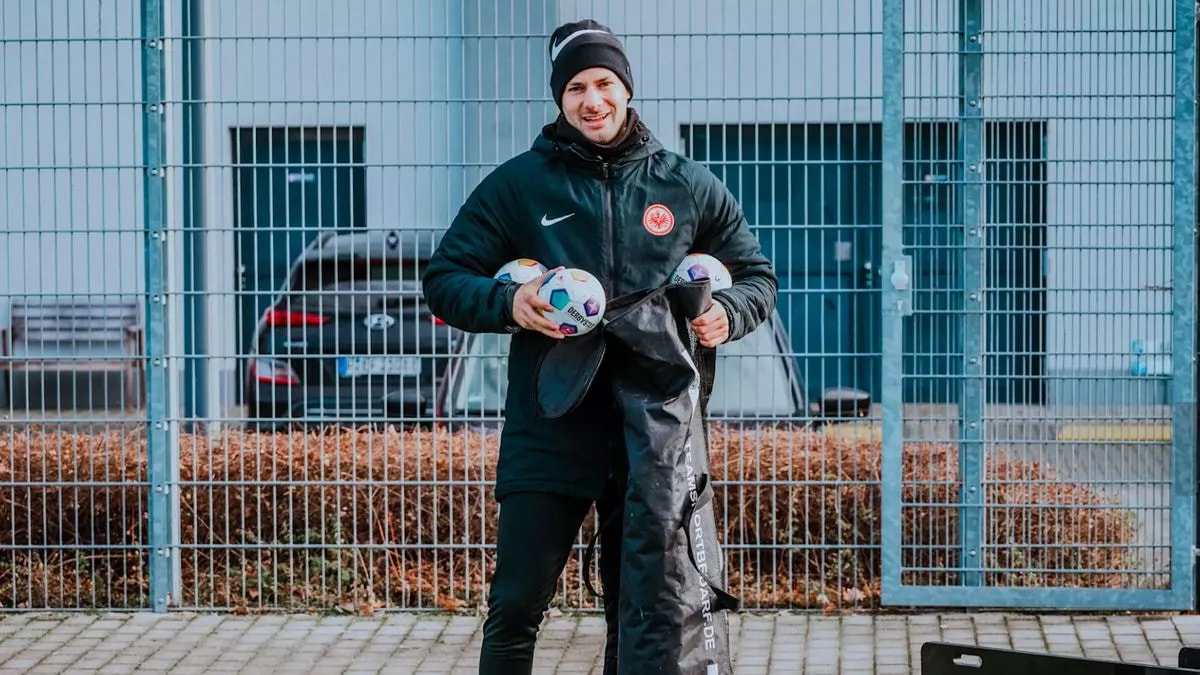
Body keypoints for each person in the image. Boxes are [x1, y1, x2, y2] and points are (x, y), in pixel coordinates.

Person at [421, 19, 777, 675]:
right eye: (578, 86)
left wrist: (728, 311)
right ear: (559, 96)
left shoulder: (684, 183)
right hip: (550, 428)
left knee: (639, 610)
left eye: (605, 83)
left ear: (626, 88)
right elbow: (443, 278)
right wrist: (510, 303)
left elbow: (757, 274)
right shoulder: (520, 185)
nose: (593, 100)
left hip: (651, 434)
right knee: (516, 606)